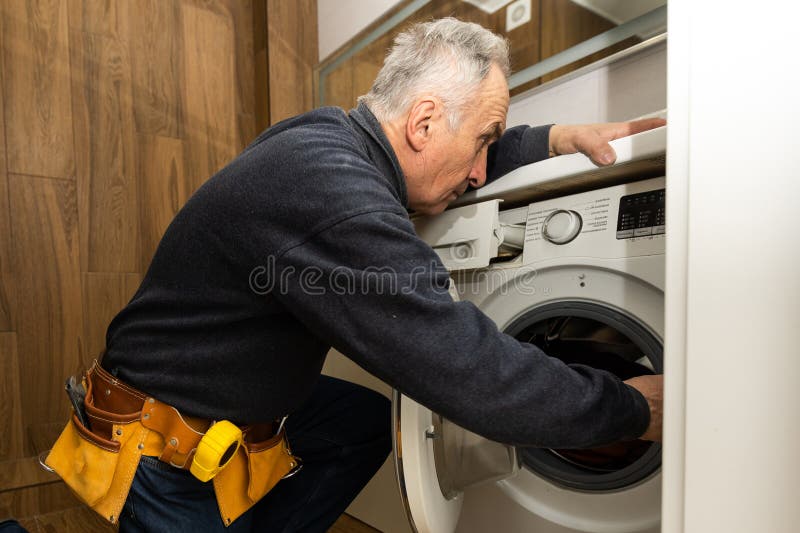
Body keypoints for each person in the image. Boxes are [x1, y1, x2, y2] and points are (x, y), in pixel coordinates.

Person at [60, 18, 664, 532]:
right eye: (484, 141)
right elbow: (471, 370)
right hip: (161, 444)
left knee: (362, 423)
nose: (480, 171)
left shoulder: (329, 140)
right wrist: (631, 408)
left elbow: (450, 165)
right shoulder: (333, 193)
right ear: (424, 123)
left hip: (221, 390)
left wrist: (554, 139)